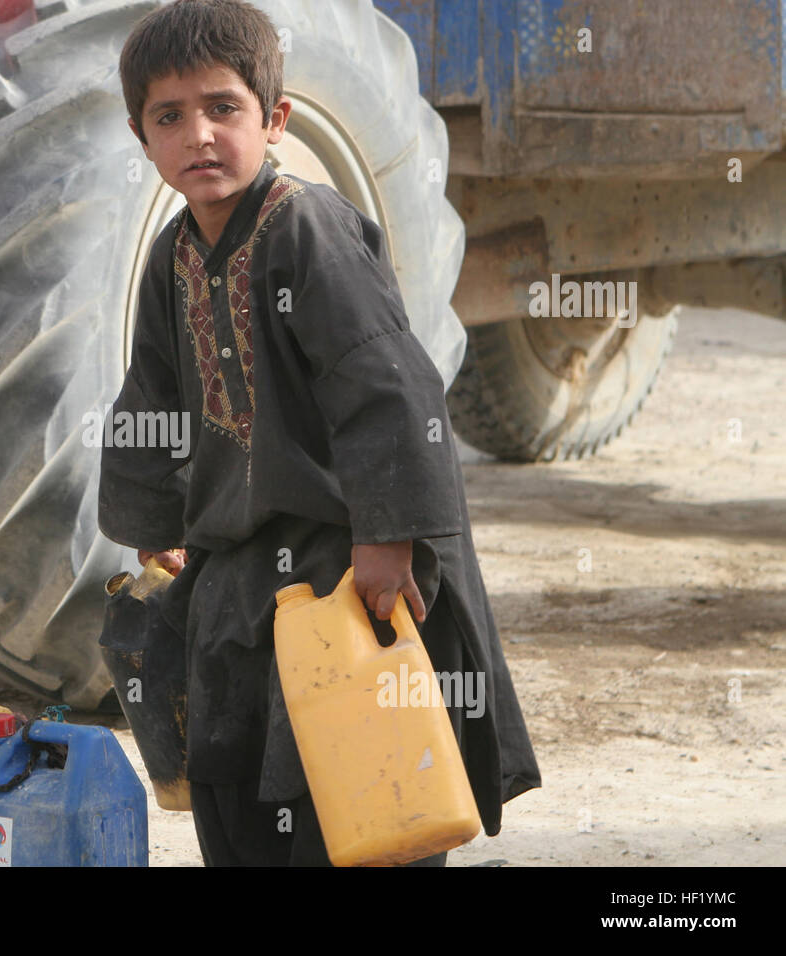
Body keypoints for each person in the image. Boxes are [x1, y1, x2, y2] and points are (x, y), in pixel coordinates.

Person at [98, 0, 540, 866]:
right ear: (141, 137)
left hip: (346, 561)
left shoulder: (306, 226)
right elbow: (149, 396)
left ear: (275, 119)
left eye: (223, 107)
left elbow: (388, 382)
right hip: (239, 576)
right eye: (169, 116)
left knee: (364, 801)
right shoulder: (173, 257)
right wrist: (154, 530)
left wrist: (388, 538)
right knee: (239, 794)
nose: (199, 135)